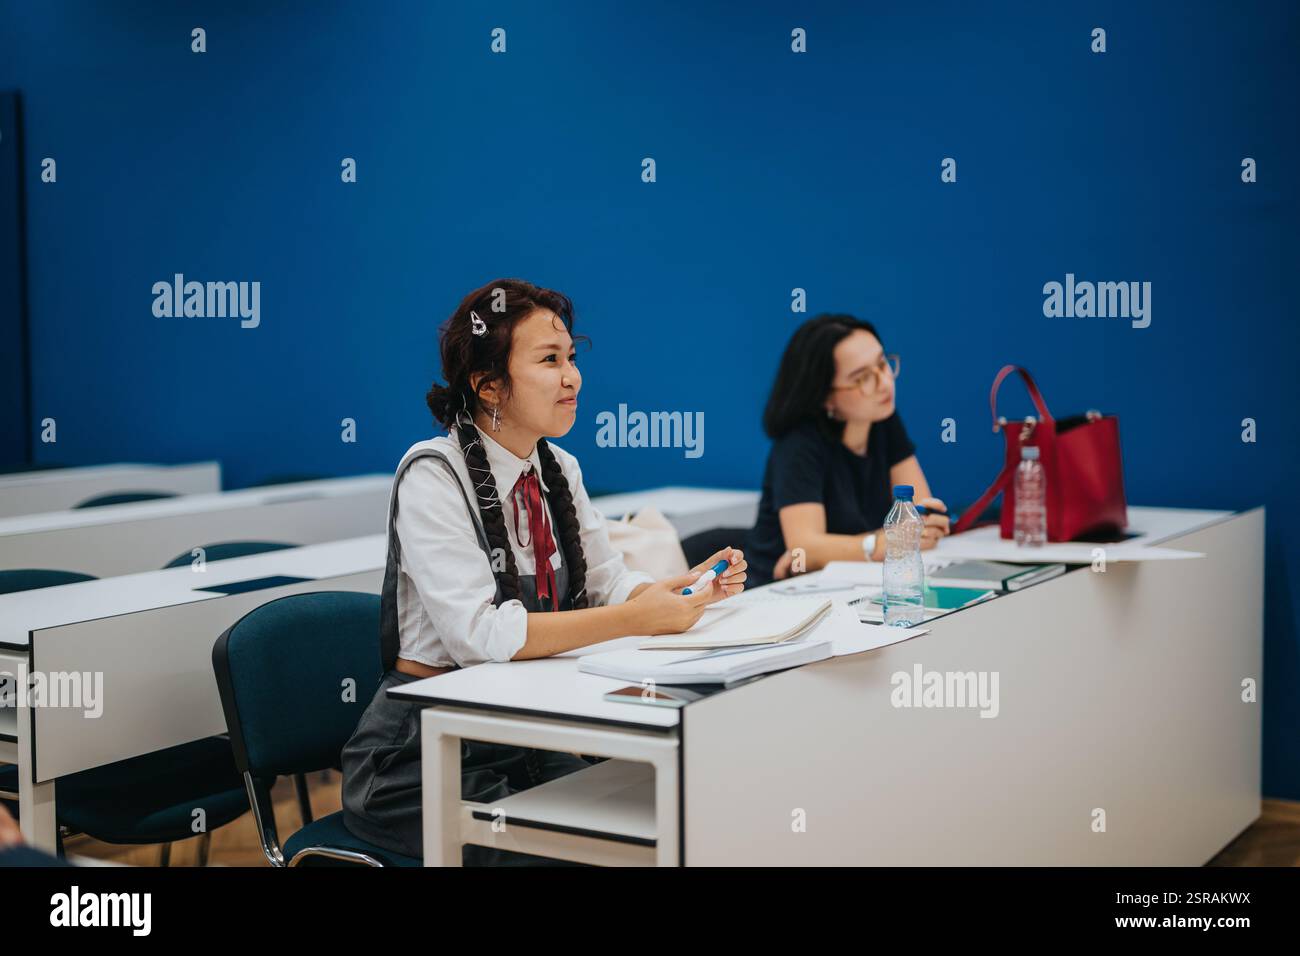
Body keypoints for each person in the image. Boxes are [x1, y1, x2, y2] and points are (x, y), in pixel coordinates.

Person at [341, 278, 746, 864]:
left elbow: (608, 582)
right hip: (424, 750)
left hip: (522, 730)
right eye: (550, 360)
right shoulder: (432, 474)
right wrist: (637, 617)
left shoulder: (560, 468)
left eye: (572, 359)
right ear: (488, 385)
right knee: (562, 853)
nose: (572, 377)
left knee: (651, 825)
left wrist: (679, 590)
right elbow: (480, 636)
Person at [744, 314, 949, 587]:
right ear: (825, 396)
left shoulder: (883, 419)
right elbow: (804, 549)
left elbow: (917, 518)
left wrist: (922, 525)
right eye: (863, 378)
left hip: (854, 583)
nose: (884, 382)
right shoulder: (798, 444)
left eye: (882, 364)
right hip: (781, 593)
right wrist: (882, 541)